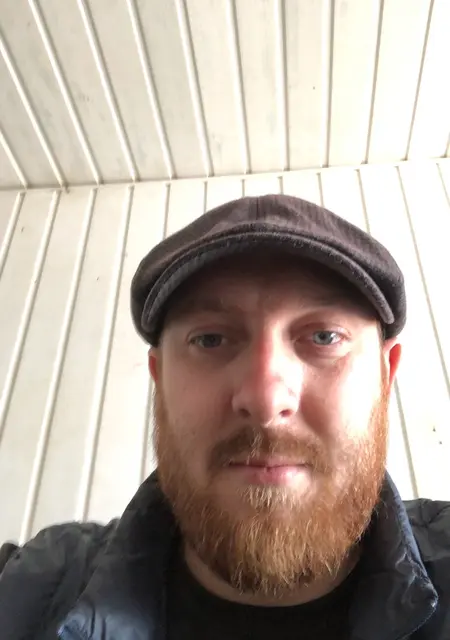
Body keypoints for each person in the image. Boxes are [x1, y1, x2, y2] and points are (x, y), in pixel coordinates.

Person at [0, 194, 449, 639]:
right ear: (160, 379)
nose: (265, 400)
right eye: (210, 339)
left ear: (385, 375)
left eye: (325, 337)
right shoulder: (26, 590)